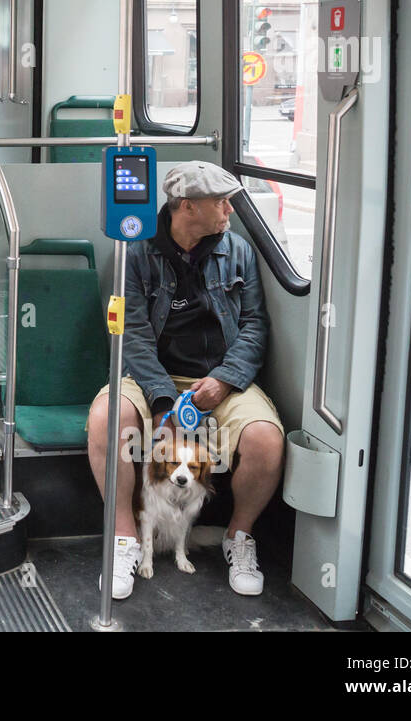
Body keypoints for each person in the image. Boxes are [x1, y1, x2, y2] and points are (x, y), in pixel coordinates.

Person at [86, 160, 285, 600]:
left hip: (218, 378)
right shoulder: (136, 253)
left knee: (266, 440)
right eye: (221, 202)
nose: (230, 210)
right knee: (107, 418)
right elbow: (133, 334)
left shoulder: (238, 251)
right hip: (151, 374)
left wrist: (225, 381)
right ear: (188, 207)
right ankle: (125, 539)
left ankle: (239, 537)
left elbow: (254, 326)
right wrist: (161, 401)